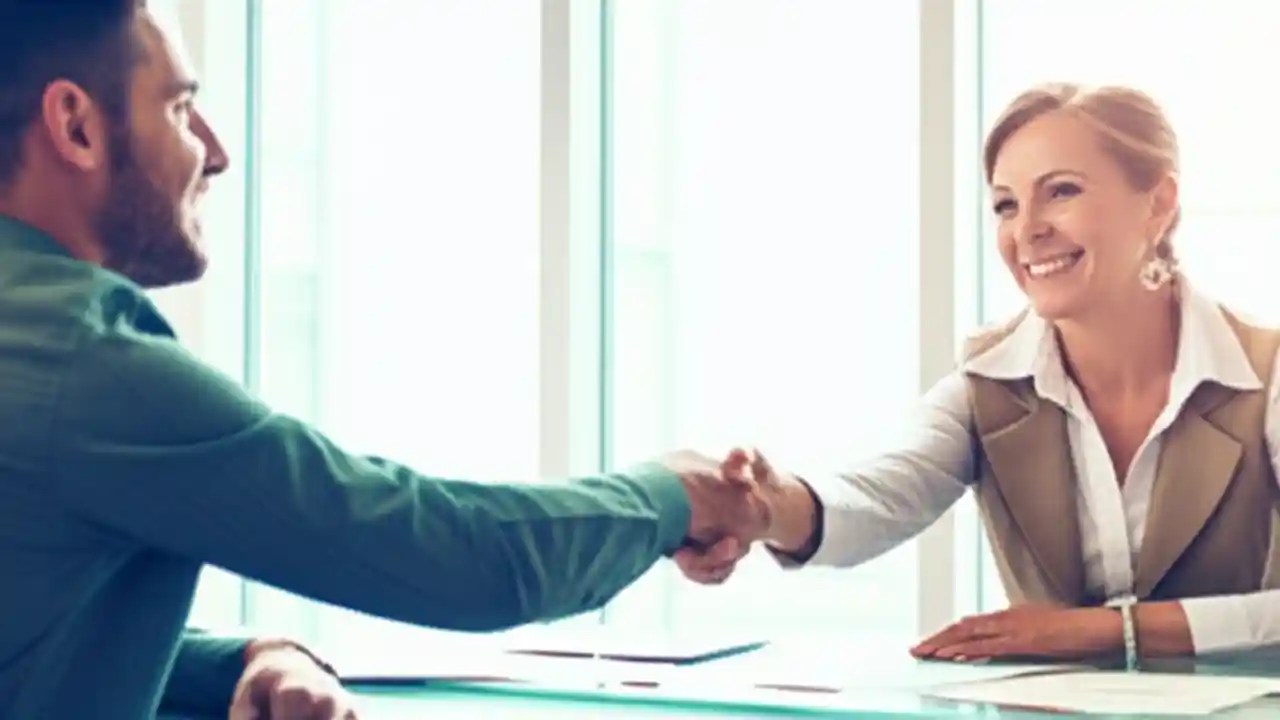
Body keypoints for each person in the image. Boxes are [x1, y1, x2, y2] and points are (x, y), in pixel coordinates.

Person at [0, 2, 782, 718]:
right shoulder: (87, 366)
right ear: (76, 125)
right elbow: (455, 553)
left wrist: (244, 661)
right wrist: (673, 497)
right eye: (178, 108)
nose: (215, 153)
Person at [686, 82, 1280, 663]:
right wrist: (763, 509)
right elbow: (878, 496)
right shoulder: (987, 386)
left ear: (1157, 202)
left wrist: (1098, 632)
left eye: (1062, 191)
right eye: (1006, 205)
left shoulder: (1265, 374)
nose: (1027, 230)